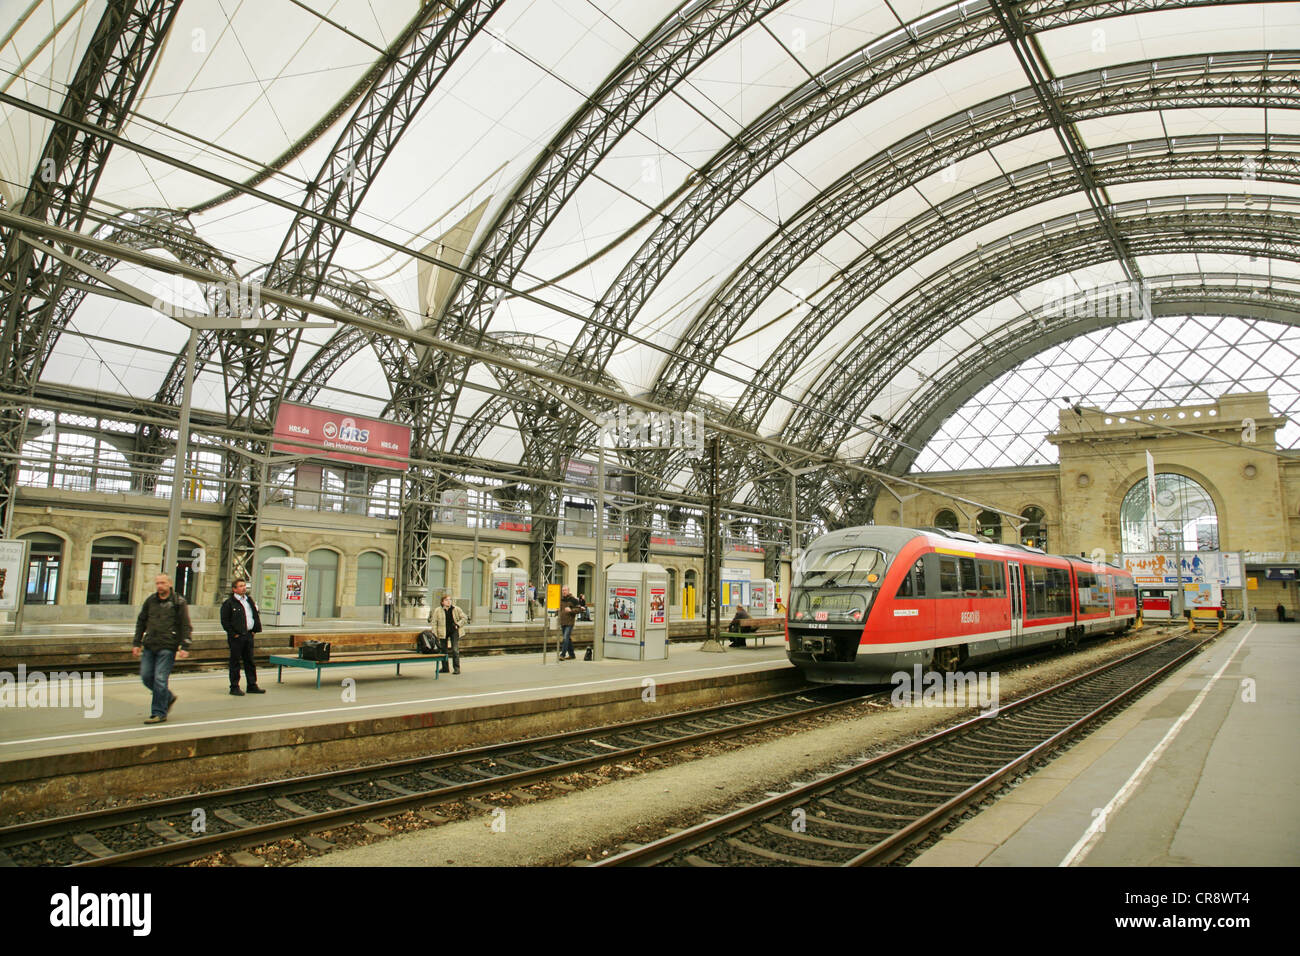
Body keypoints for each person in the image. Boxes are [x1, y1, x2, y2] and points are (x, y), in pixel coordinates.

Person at [132, 573, 192, 724]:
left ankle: (158, 713)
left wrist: (185, 645)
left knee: (160, 679)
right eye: (158, 583)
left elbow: (185, 625)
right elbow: (141, 621)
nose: (160, 586)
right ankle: (168, 697)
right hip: (150, 644)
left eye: (163, 583)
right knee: (146, 677)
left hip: (167, 646)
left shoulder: (179, 602)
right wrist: (136, 642)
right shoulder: (151, 601)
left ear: (170, 584)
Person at [220, 577, 265, 695]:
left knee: (249, 661)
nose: (243, 588)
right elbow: (225, 621)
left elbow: (254, 615)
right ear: (234, 589)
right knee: (235, 662)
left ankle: (252, 685)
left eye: (244, 585)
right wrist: (233, 633)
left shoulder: (249, 600)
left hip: (249, 635)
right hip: (237, 637)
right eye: (240, 586)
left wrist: (254, 630)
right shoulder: (229, 603)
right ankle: (234, 686)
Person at [430, 595, 466, 674]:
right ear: (442, 602)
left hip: (454, 631)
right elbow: (434, 622)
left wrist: (458, 625)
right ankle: (445, 668)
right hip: (443, 631)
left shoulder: (456, 609)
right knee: (443, 650)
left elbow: (464, 618)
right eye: (446, 600)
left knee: (455, 649)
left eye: (450, 600)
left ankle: (457, 668)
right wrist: (435, 633)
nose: (449, 601)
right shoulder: (437, 610)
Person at [558, 585, 580, 661]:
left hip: (570, 622)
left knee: (565, 638)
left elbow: (578, 609)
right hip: (563, 621)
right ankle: (572, 655)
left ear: (568, 591)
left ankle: (562, 655)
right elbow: (559, 609)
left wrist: (571, 610)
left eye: (565, 590)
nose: (563, 592)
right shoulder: (561, 599)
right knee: (568, 638)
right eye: (563, 590)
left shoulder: (573, 600)